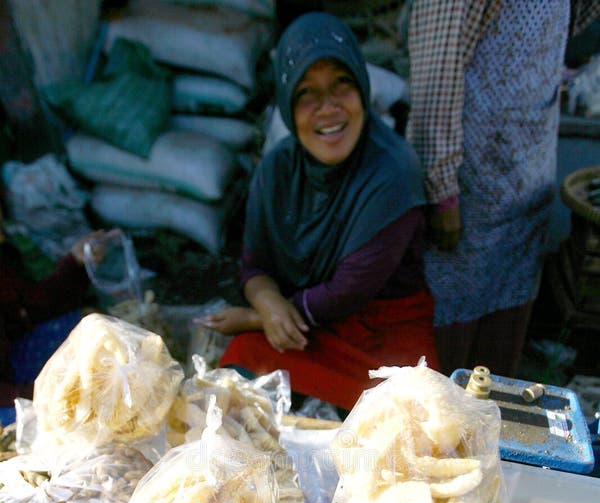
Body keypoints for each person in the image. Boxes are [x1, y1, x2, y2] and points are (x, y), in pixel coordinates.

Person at [202, 11, 439, 413]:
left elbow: (347, 291)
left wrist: (257, 317)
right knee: (238, 378)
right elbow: (254, 266)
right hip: (303, 332)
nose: (327, 109)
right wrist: (267, 304)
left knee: (401, 428)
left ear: (362, 89)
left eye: (341, 85)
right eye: (307, 94)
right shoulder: (277, 169)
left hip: (382, 340)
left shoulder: (393, 172)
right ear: (287, 104)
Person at [406, 0, 600, 378]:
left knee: (496, 370)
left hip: (527, 177)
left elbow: (576, 16)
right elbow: (436, 70)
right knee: (440, 367)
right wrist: (441, 188)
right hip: (467, 187)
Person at [0, 212, 106, 410]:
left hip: (12, 361)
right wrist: (37, 394)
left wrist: (75, 262)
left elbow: (34, 305)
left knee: (95, 330)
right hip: (5, 398)